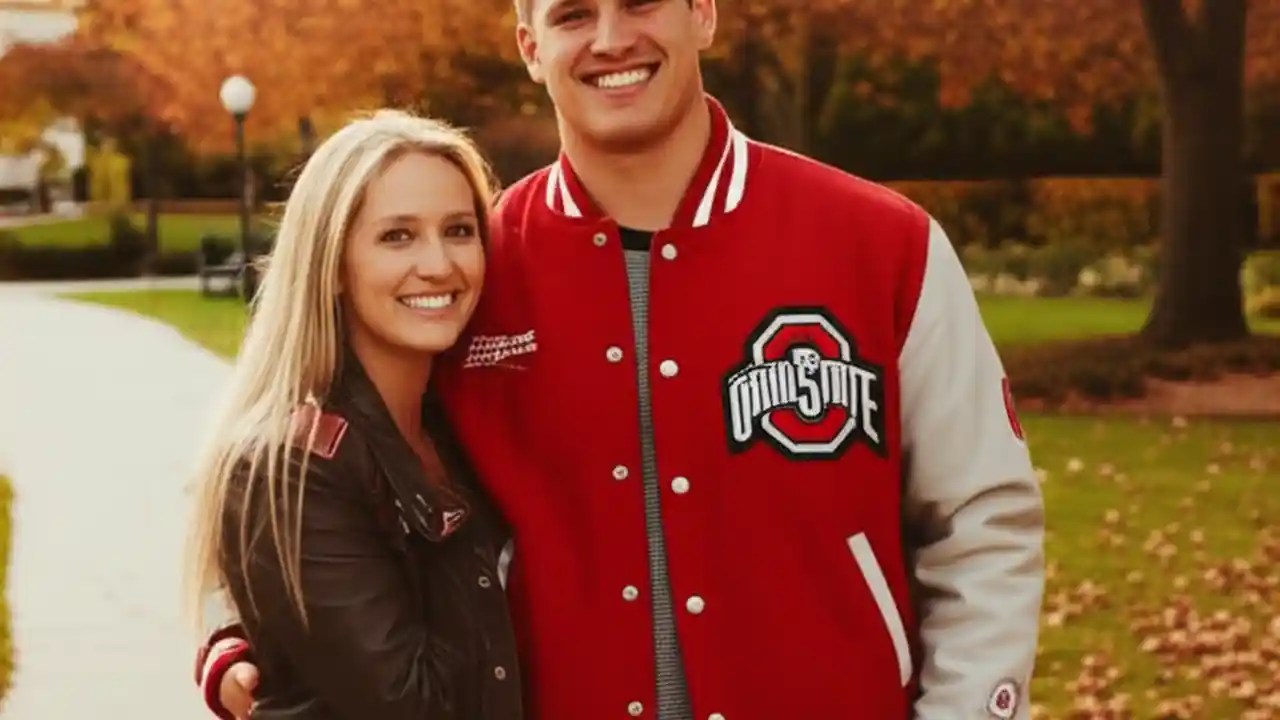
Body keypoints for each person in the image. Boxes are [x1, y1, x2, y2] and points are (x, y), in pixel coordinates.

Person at [196, 0, 1045, 718]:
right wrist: (235, 621)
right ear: (529, 45)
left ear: (703, 12)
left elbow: (983, 523)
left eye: (640, 1)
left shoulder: (879, 246)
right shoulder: (469, 269)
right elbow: (311, 453)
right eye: (571, 13)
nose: (609, 39)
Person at [185, 110, 523, 720]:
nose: (439, 264)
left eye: (459, 230)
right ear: (332, 264)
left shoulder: (468, 419)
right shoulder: (293, 464)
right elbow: (412, 705)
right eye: (397, 236)